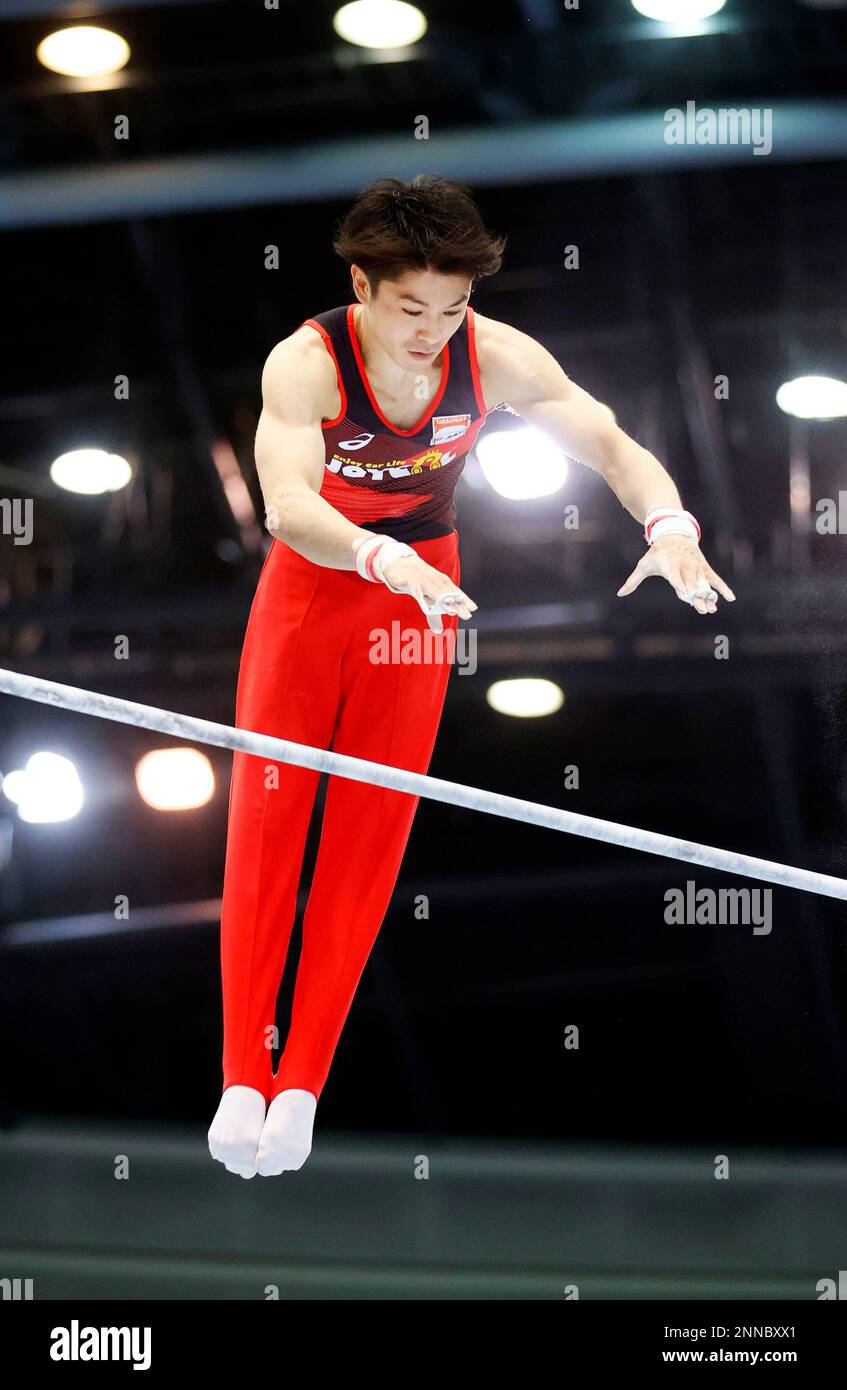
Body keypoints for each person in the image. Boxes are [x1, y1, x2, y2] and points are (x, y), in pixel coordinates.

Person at [208, 173, 736, 1178]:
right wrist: (381, 558)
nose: (431, 332)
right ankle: (244, 1070)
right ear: (360, 285)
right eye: (411, 310)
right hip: (318, 585)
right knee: (272, 819)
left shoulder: (495, 357)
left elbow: (613, 445)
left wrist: (667, 524)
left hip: (426, 592)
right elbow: (286, 506)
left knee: (369, 833)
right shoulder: (306, 365)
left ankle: (303, 1083)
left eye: (451, 310)